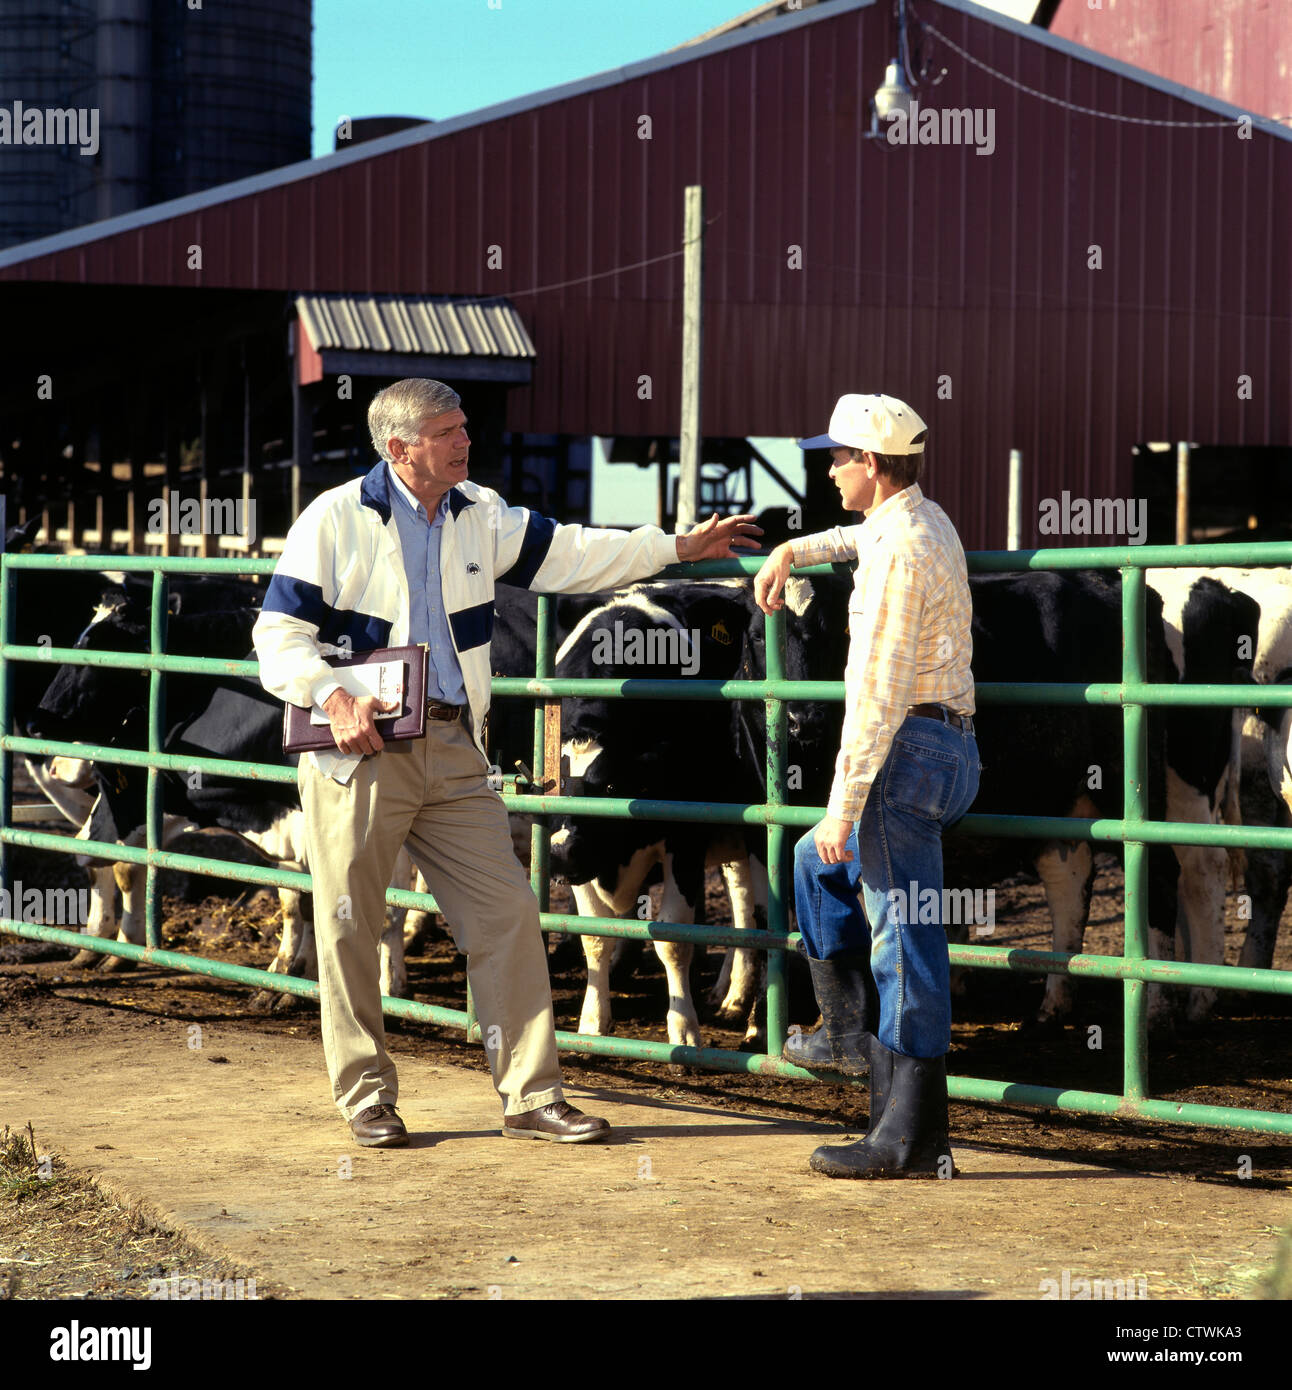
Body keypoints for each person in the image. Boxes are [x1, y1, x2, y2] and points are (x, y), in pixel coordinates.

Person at [254, 378, 759, 1147]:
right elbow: (278, 635)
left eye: (464, 428)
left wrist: (677, 547)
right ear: (400, 448)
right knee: (353, 919)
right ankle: (365, 1098)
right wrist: (331, 696)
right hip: (362, 751)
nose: (465, 441)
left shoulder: (478, 513)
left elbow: (573, 552)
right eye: (448, 432)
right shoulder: (333, 518)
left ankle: (530, 1096)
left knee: (508, 912)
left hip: (455, 746)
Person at [754, 393, 979, 1179]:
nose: (829, 466)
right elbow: (857, 533)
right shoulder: (920, 522)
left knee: (905, 939)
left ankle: (907, 1140)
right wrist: (795, 550)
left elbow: (879, 695)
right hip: (944, 748)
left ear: (872, 465)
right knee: (814, 869)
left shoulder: (899, 557)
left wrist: (843, 807)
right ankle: (847, 1033)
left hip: (905, 755)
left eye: (840, 456)